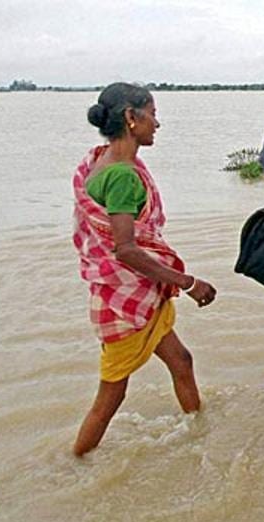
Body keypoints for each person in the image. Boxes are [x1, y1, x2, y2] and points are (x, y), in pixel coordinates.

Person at [71, 82, 217, 456]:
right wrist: (188, 282)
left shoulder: (99, 160)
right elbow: (125, 250)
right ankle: (76, 462)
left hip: (131, 298)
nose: (157, 123)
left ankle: (199, 435)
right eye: (152, 114)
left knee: (181, 360)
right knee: (111, 396)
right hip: (124, 305)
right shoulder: (122, 175)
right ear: (130, 118)